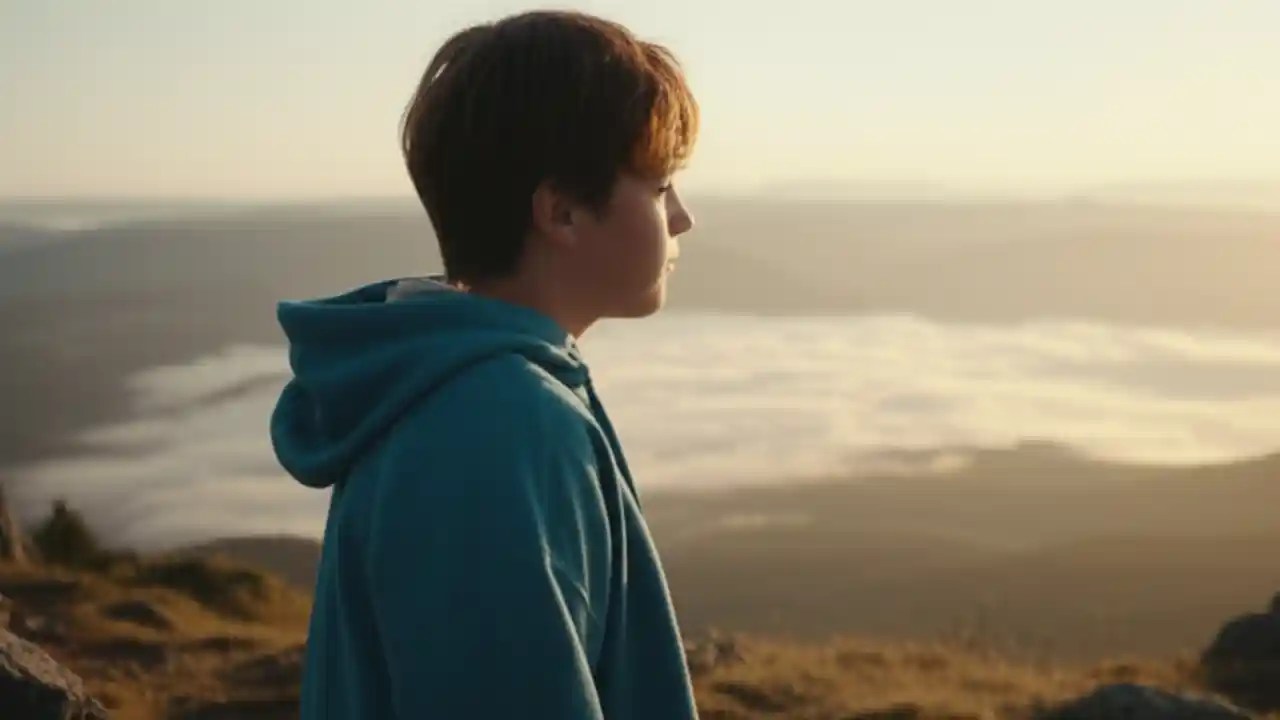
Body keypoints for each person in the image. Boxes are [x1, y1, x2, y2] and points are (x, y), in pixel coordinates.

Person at [269, 9, 700, 719]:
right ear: (561, 213)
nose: (682, 217)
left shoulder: (464, 393)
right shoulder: (499, 426)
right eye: (658, 187)